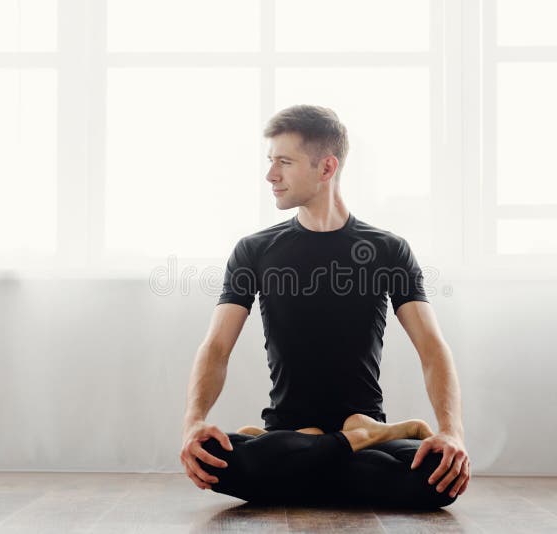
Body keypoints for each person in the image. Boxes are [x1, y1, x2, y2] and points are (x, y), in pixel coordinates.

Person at [180, 104, 470, 509]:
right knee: (215, 463)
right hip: (294, 430)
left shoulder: (388, 250)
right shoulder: (255, 250)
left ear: (326, 168)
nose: (270, 175)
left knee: (440, 479)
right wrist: (193, 423)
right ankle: (356, 438)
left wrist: (451, 431)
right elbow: (215, 348)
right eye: (270, 161)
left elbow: (432, 348)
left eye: (284, 162)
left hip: (297, 446)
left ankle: (317, 448)